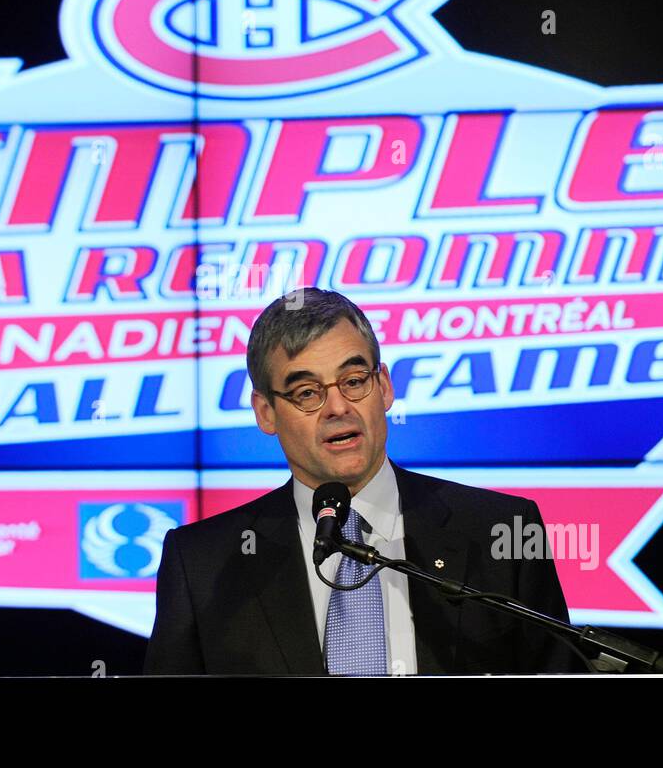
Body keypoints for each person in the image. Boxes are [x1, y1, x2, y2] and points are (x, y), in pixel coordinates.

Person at [143, 287, 585, 675]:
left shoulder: (499, 530)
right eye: (307, 393)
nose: (338, 407)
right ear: (265, 412)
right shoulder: (203, 564)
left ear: (384, 387)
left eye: (354, 381)